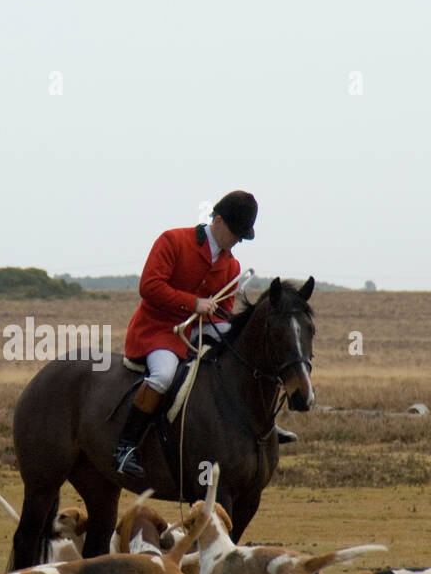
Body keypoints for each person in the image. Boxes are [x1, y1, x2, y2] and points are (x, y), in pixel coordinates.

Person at [113, 190, 296, 478]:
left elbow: (223, 311)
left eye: (242, 237)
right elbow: (149, 286)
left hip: (200, 328)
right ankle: (125, 448)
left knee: (243, 351)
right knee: (162, 376)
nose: (237, 241)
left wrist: (222, 321)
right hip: (158, 330)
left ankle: (264, 423)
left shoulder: (232, 266)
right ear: (218, 221)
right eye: (235, 233)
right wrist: (194, 303)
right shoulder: (173, 241)